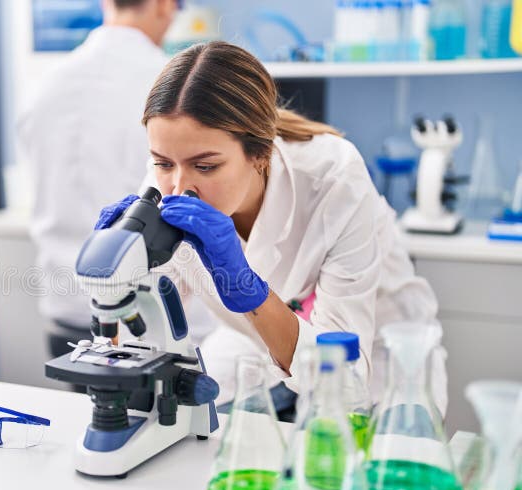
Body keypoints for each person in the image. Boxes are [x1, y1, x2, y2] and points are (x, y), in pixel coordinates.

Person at [96, 41, 447, 415]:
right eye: (163, 163)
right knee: (201, 430)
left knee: (381, 455)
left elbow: (347, 376)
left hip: (378, 346)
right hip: (255, 343)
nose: (181, 188)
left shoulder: (333, 180)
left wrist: (250, 291)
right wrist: (117, 270)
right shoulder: (165, 186)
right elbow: (144, 317)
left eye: (206, 166)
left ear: (260, 154)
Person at [17, 0, 185, 359]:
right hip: (142, 311)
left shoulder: (44, 84)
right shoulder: (172, 86)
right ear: (163, 5)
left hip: (63, 305)